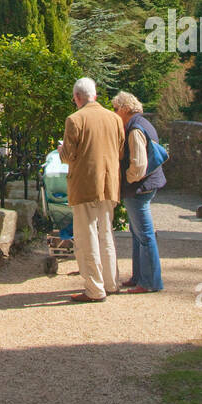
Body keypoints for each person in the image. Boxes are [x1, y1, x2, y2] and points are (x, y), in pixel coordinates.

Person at [58, 77, 125, 302]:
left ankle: (95, 288)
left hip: (85, 185)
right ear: (94, 95)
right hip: (109, 183)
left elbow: (68, 155)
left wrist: (60, 150)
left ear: (77, 97)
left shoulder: (75, 119)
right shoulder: (114, 119)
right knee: (106, 233)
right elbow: (120, 148)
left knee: (86, 236)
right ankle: (111, 281)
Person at [112, 91, 165, 293]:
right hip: (146, 186)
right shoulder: (143, 124)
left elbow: (139, 166)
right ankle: (139, 277)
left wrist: (126, 180)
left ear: (125, 109)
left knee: (144, 235)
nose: (115, 113)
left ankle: (150, 282)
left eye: (116, 109)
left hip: (139, 188)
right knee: (138, 234)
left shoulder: (135, 129)